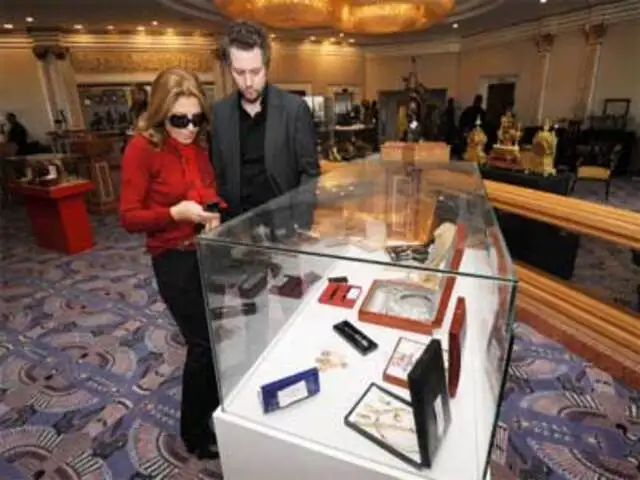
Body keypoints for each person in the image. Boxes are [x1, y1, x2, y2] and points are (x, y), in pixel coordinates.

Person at [119, 67, 225, 459]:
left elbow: (207, 190)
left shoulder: (198, 145)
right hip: (172, 259)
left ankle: (214, 412)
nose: (190, 128)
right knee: (202, 345)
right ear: (161, 113)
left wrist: (213, 210)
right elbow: (129, 217)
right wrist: (174, 213)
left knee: (216, 340)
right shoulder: (141, 149)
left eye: (196, 119)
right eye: (180, 120)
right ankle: (194, 434)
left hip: (204, 253)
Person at [210, 20, 320, 225]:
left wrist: (301, 223)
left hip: (285, 224)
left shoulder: (294, 109)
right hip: (237, 226)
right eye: (239, 73)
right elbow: (218, 175)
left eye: (255, 72)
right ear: (229, 68)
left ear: (267, 67)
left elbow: (310, 174)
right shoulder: (219, 113)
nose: (248, 82)